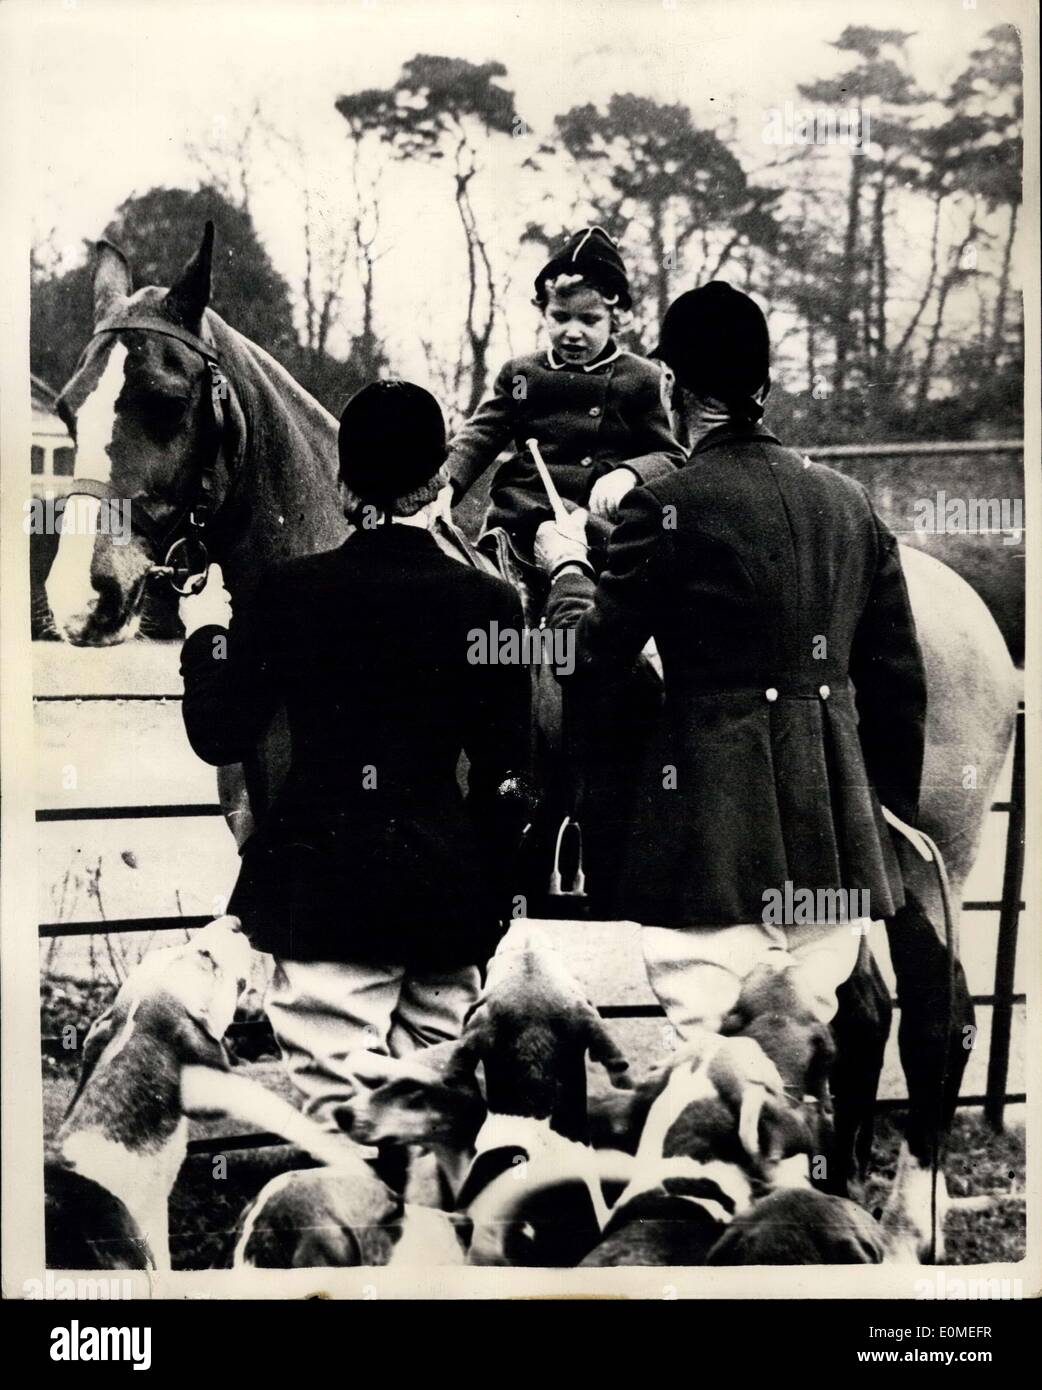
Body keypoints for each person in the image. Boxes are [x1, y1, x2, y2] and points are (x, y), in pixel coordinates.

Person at [533, 281, 928, 1038]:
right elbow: (897, 688)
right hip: (832, 850)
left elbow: (583, 659)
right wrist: (877, 824)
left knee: (718, 1071)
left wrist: (568, 571)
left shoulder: (666, 507)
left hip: (711, 846)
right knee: (792, 1058)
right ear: (765, 386)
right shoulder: (850, 502)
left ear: (671, 383)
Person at [178, 380, 532, 1134]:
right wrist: (483, 901)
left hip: (324, 887)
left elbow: (219, 732)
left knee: (347, 1126)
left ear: (343, 484)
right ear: (438, 481)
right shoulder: (494, 605)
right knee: (437, 1128)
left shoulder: (289, 593)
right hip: (447, 895)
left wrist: (206, 633)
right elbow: (509, 779)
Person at [447, 226, 684, 565]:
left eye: (589, 320)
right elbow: (481, 435)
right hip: (520, 517)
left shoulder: (642, 377)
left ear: (615, 320)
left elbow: (669, 454)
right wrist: (445, 486)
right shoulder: (523, 374)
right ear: (544, 312)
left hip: (598, 525)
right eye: (560, 317)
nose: (573, 332)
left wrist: (629, 473)